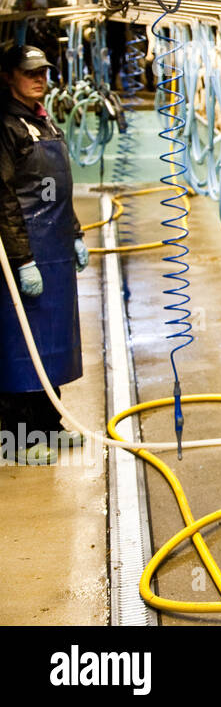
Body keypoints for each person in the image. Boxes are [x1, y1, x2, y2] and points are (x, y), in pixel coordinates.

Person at [0, 44, 87, 464]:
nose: (39, 79)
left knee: (51, 343)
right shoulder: (6, 126)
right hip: (25, 254)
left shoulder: (42, 120)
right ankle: (18, 438)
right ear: (8, 76)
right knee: (20, 348)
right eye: (29, 73)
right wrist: (21, 259)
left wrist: (74, 233)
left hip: (54, 250)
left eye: (43, 72)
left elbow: (58, 187)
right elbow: (3, 200)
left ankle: (49, 426)